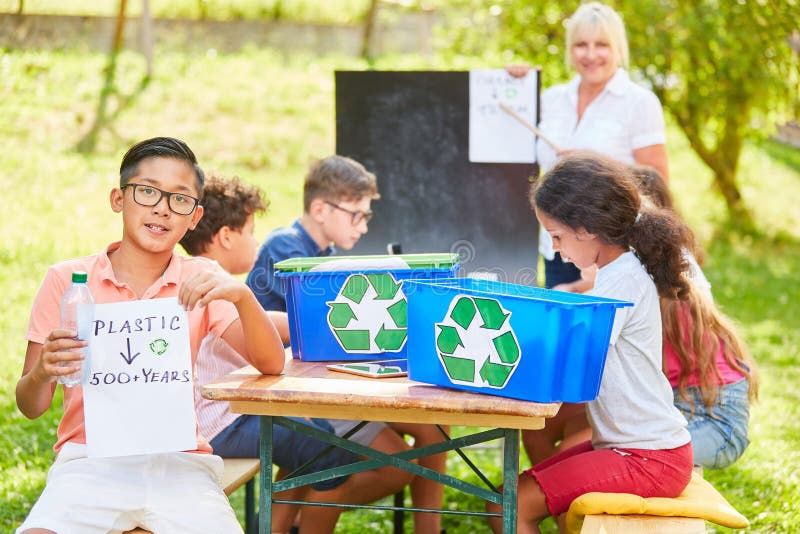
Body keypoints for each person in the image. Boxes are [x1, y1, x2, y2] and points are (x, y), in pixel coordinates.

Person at [15, 136, 286, 534]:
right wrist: (42, 372)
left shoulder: (201, 279)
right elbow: (31, 405)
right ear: (118, 199)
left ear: (194, 217)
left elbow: (270, 364)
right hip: (90, 463)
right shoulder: (67, 281)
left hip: (180, 466)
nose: (162, 207)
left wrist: (244, 297)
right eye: (147, 192)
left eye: (179, 199)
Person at [179, 174, 412, 533]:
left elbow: (270, 321)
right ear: (227, 236)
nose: (256, 241)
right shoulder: (215, 285)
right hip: (219, 422)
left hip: (230, 411)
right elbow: (274, 334)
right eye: (251, 231)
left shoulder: (208, 281)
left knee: (312, 440)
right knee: (330, 455)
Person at [488, 152, 694, 533]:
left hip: (649, 457)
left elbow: (569, 358)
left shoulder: (622, 280)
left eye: (556, 236)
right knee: (503, 497)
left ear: (585, 227)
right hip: (637, 447)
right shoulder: (619, 270)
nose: (554, 250)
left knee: (509, 508)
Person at [246, 155, 448, 534]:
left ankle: (427, 529)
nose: (364, 225)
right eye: (357, 214)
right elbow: (317, 330)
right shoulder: (285, 251)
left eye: (367, 215)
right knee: (397, 462)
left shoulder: (321, 254)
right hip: (297, 390)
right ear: (320, 208)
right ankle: (312, 512)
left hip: (324, 380)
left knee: (432, 430)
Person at [508, 1, 669, 290]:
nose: (591, 54)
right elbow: (504, 121)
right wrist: (514, 83)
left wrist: (597, 163)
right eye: (582, 44)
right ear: (570, 50)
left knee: (606, 334)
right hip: (556, 248)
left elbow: (657, 179)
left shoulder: (639, 102)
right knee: (566, 333)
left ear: (618, 48)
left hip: (609, 249)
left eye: (602, 45)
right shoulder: (552, 98)